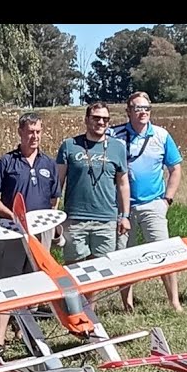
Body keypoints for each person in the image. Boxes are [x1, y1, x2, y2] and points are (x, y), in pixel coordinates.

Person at [0, 112, 61, 349]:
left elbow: (54, 198)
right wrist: (10, 215)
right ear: (20, 132)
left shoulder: (49, 163)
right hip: (13, 231)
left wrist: (51, 224)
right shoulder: (6, 162)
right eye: (30, 132)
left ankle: (24, 331)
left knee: (36, 281)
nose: (34, 136)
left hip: (40, 232)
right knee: (7, 281)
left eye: (38, 131)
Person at [112, 91, 184, 312]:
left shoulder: (161, 136)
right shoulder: (114, 135)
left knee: (164, 253)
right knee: (124, 256)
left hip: (154, 204)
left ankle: (174, 302)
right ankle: (127, 305)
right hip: (123, 207)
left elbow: (175, 169)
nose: (142, 112)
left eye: (146, 108)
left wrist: (167, 200)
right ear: (128, 111)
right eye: (137, 108)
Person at [56, 102, 131, 274]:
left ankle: (90, 303)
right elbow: (57, 183)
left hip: (106, 219)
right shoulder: (69, 145)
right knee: (74, 268)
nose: (101, 122)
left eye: (105, 119)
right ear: (86, 119)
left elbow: (123, 184)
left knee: (99, 270)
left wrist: (125, 216)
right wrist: (54, 216)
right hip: (75, 219)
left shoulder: (117, 147)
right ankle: (75, 302)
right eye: (96, 118)